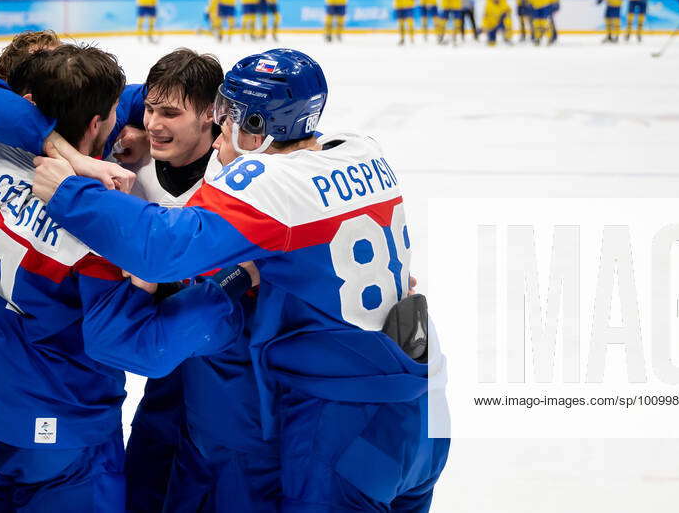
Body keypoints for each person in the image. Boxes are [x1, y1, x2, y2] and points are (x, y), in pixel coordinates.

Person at [31, 47, 451, 512]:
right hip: (420, 396)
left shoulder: (270, 184)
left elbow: (161, 248)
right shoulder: (360, 149)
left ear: (255, 126)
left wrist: (70, 193)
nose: (218, 132)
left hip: (343, 417)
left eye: (228, 115)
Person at [0, 46, 247, 512]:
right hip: (61, 439)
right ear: (99, 123)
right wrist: (227, 295)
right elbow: (128, 344)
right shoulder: (109, 220)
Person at [119, 50, 225, 512]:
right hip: (164, 365)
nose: (154, 124)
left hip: (228, 369)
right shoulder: (126, 164)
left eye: (170, 113)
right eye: (150, 110)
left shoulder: (244, 173)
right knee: (145, 478)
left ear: (211, 114)